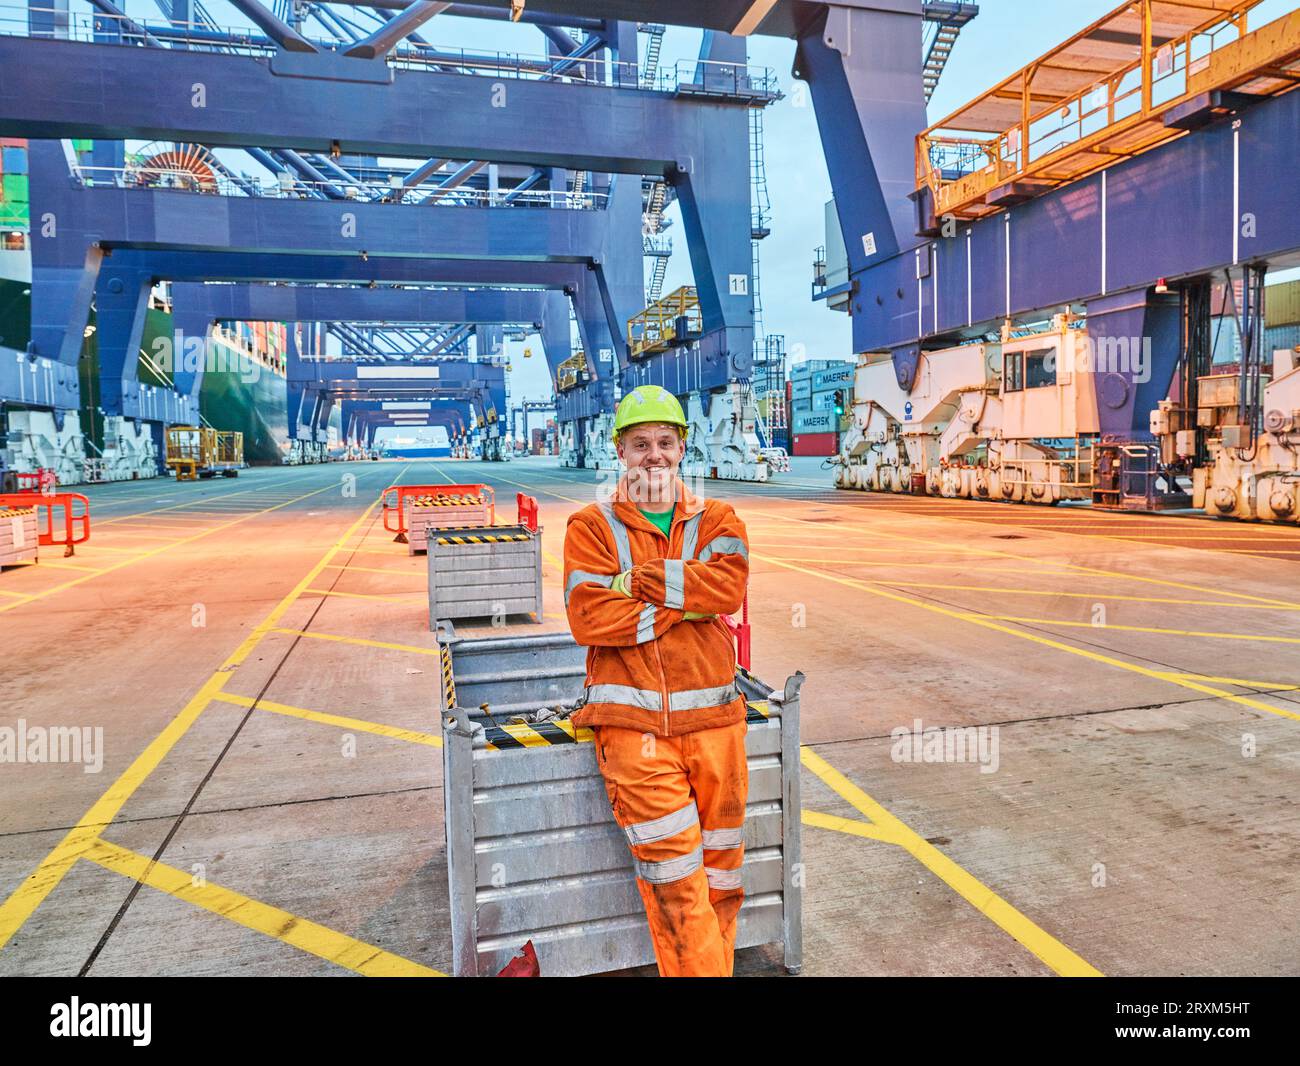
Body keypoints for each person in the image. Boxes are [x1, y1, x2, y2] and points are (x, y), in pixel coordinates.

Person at [563, 384, 751, 977]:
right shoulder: (590, 527)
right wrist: (687, 597)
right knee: (679, 887)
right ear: (620, 450)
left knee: (722, 879)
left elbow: (729, 591)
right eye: (640, 443)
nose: (654, 455)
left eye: (665, 442)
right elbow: (589, 617)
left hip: (718, 725)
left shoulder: (719, 518)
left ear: (681, 448)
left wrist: (638, 584)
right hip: (635, 733)